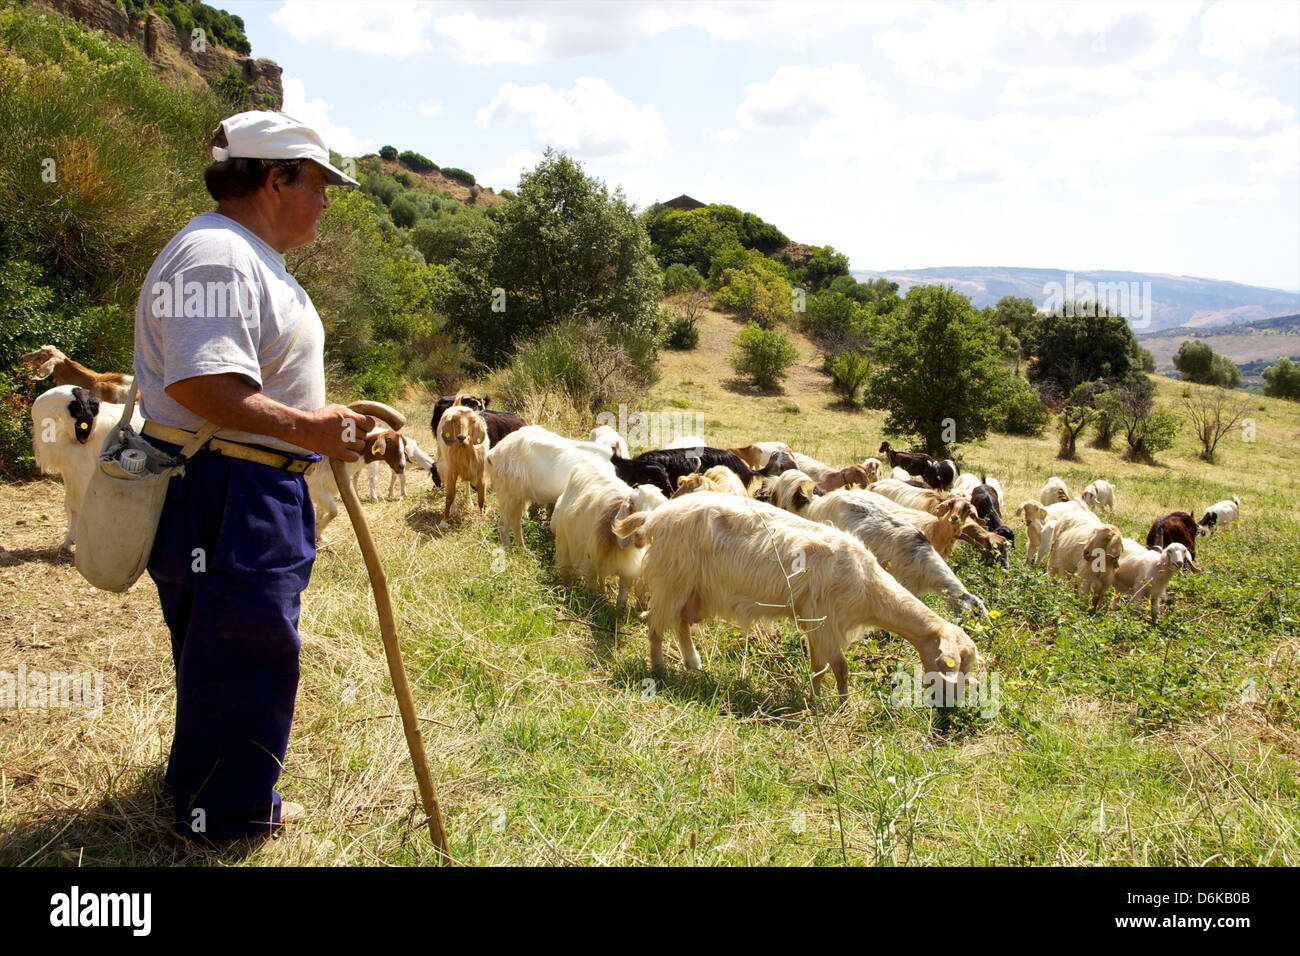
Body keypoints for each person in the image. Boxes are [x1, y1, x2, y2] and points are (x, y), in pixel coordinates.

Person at [133, 111, 373, 842]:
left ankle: (210, 789)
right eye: (320, 185)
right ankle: (226, 818)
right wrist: (309, 430)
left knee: (226, 647)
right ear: (276, 179)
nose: (327, 201)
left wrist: (315, 426)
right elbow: (202, 383)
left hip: (245, 485)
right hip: (229, 490)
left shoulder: (244, 254)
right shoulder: (218, 256)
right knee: (247, 648)